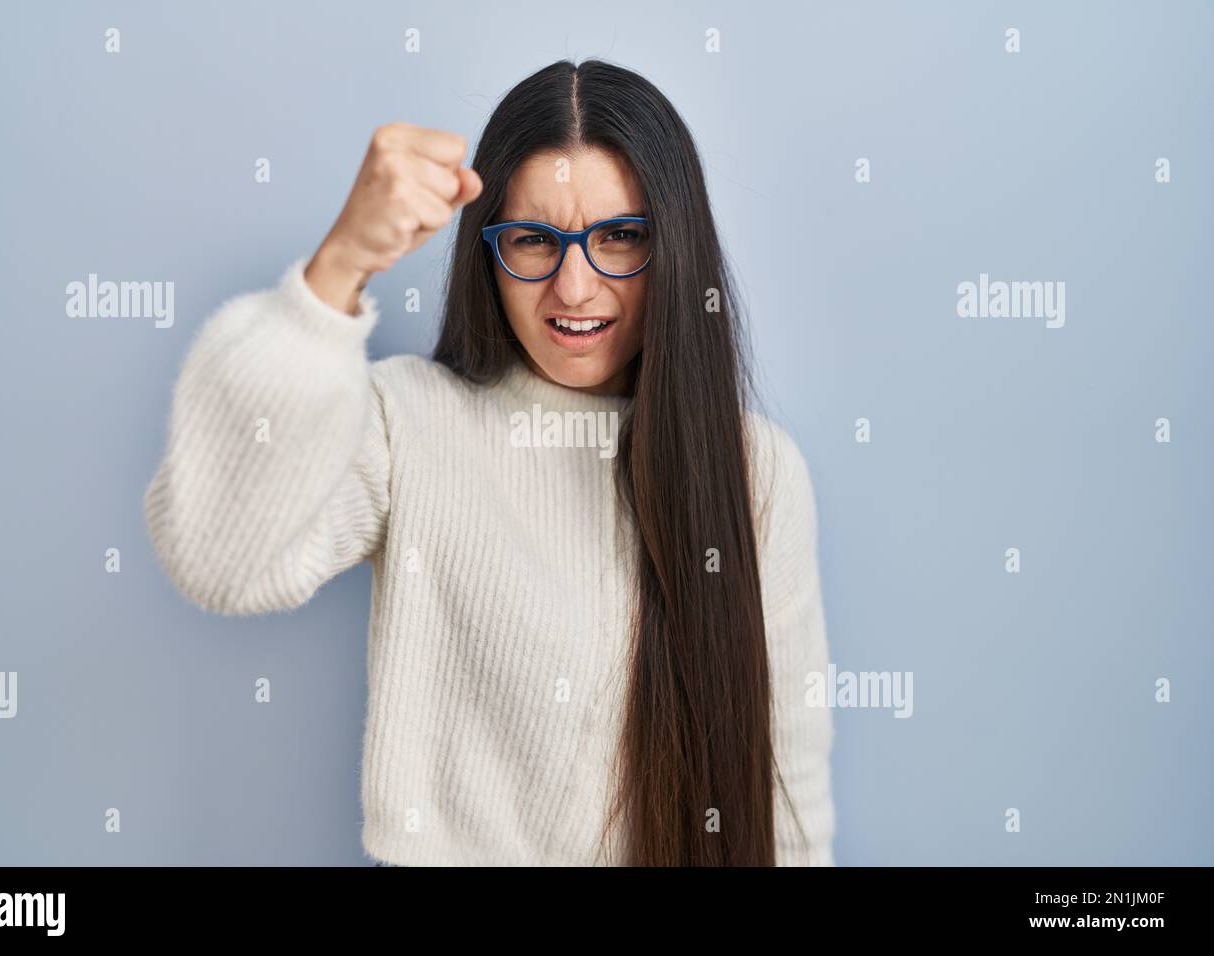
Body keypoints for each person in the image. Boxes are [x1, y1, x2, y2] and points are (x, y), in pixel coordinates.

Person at [143, 58, 835, 867]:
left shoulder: (757, 471)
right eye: (536, 241)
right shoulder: (410, 423)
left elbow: (787, 797)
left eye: (621, 236)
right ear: (487, 250)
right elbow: (220, 560)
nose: (575, 288)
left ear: (676, 248)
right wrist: (336, 272)